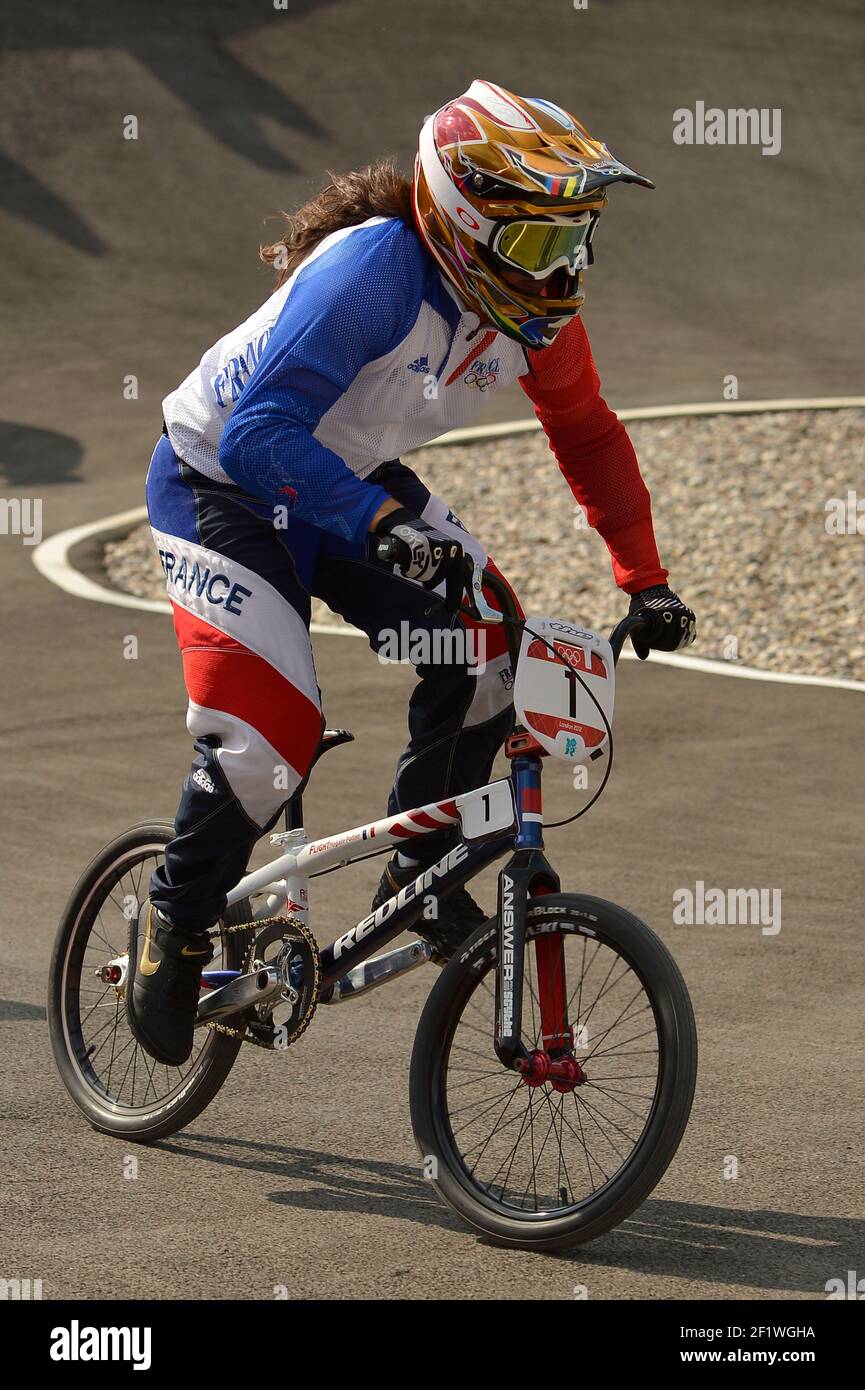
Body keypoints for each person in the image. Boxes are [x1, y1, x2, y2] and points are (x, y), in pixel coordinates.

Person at [127, 80, 696, 1067]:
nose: (563, 273)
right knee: (267, 744)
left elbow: (588, 434)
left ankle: (420, 867)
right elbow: (261, 433)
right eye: (537, 246)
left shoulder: (530, 317)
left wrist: (643, 576)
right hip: (223, 479)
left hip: (342, 481)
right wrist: (377, 523)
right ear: (464, 227)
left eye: (576, 241)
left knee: (491, 656)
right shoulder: (375, 273)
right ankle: (168, 922)